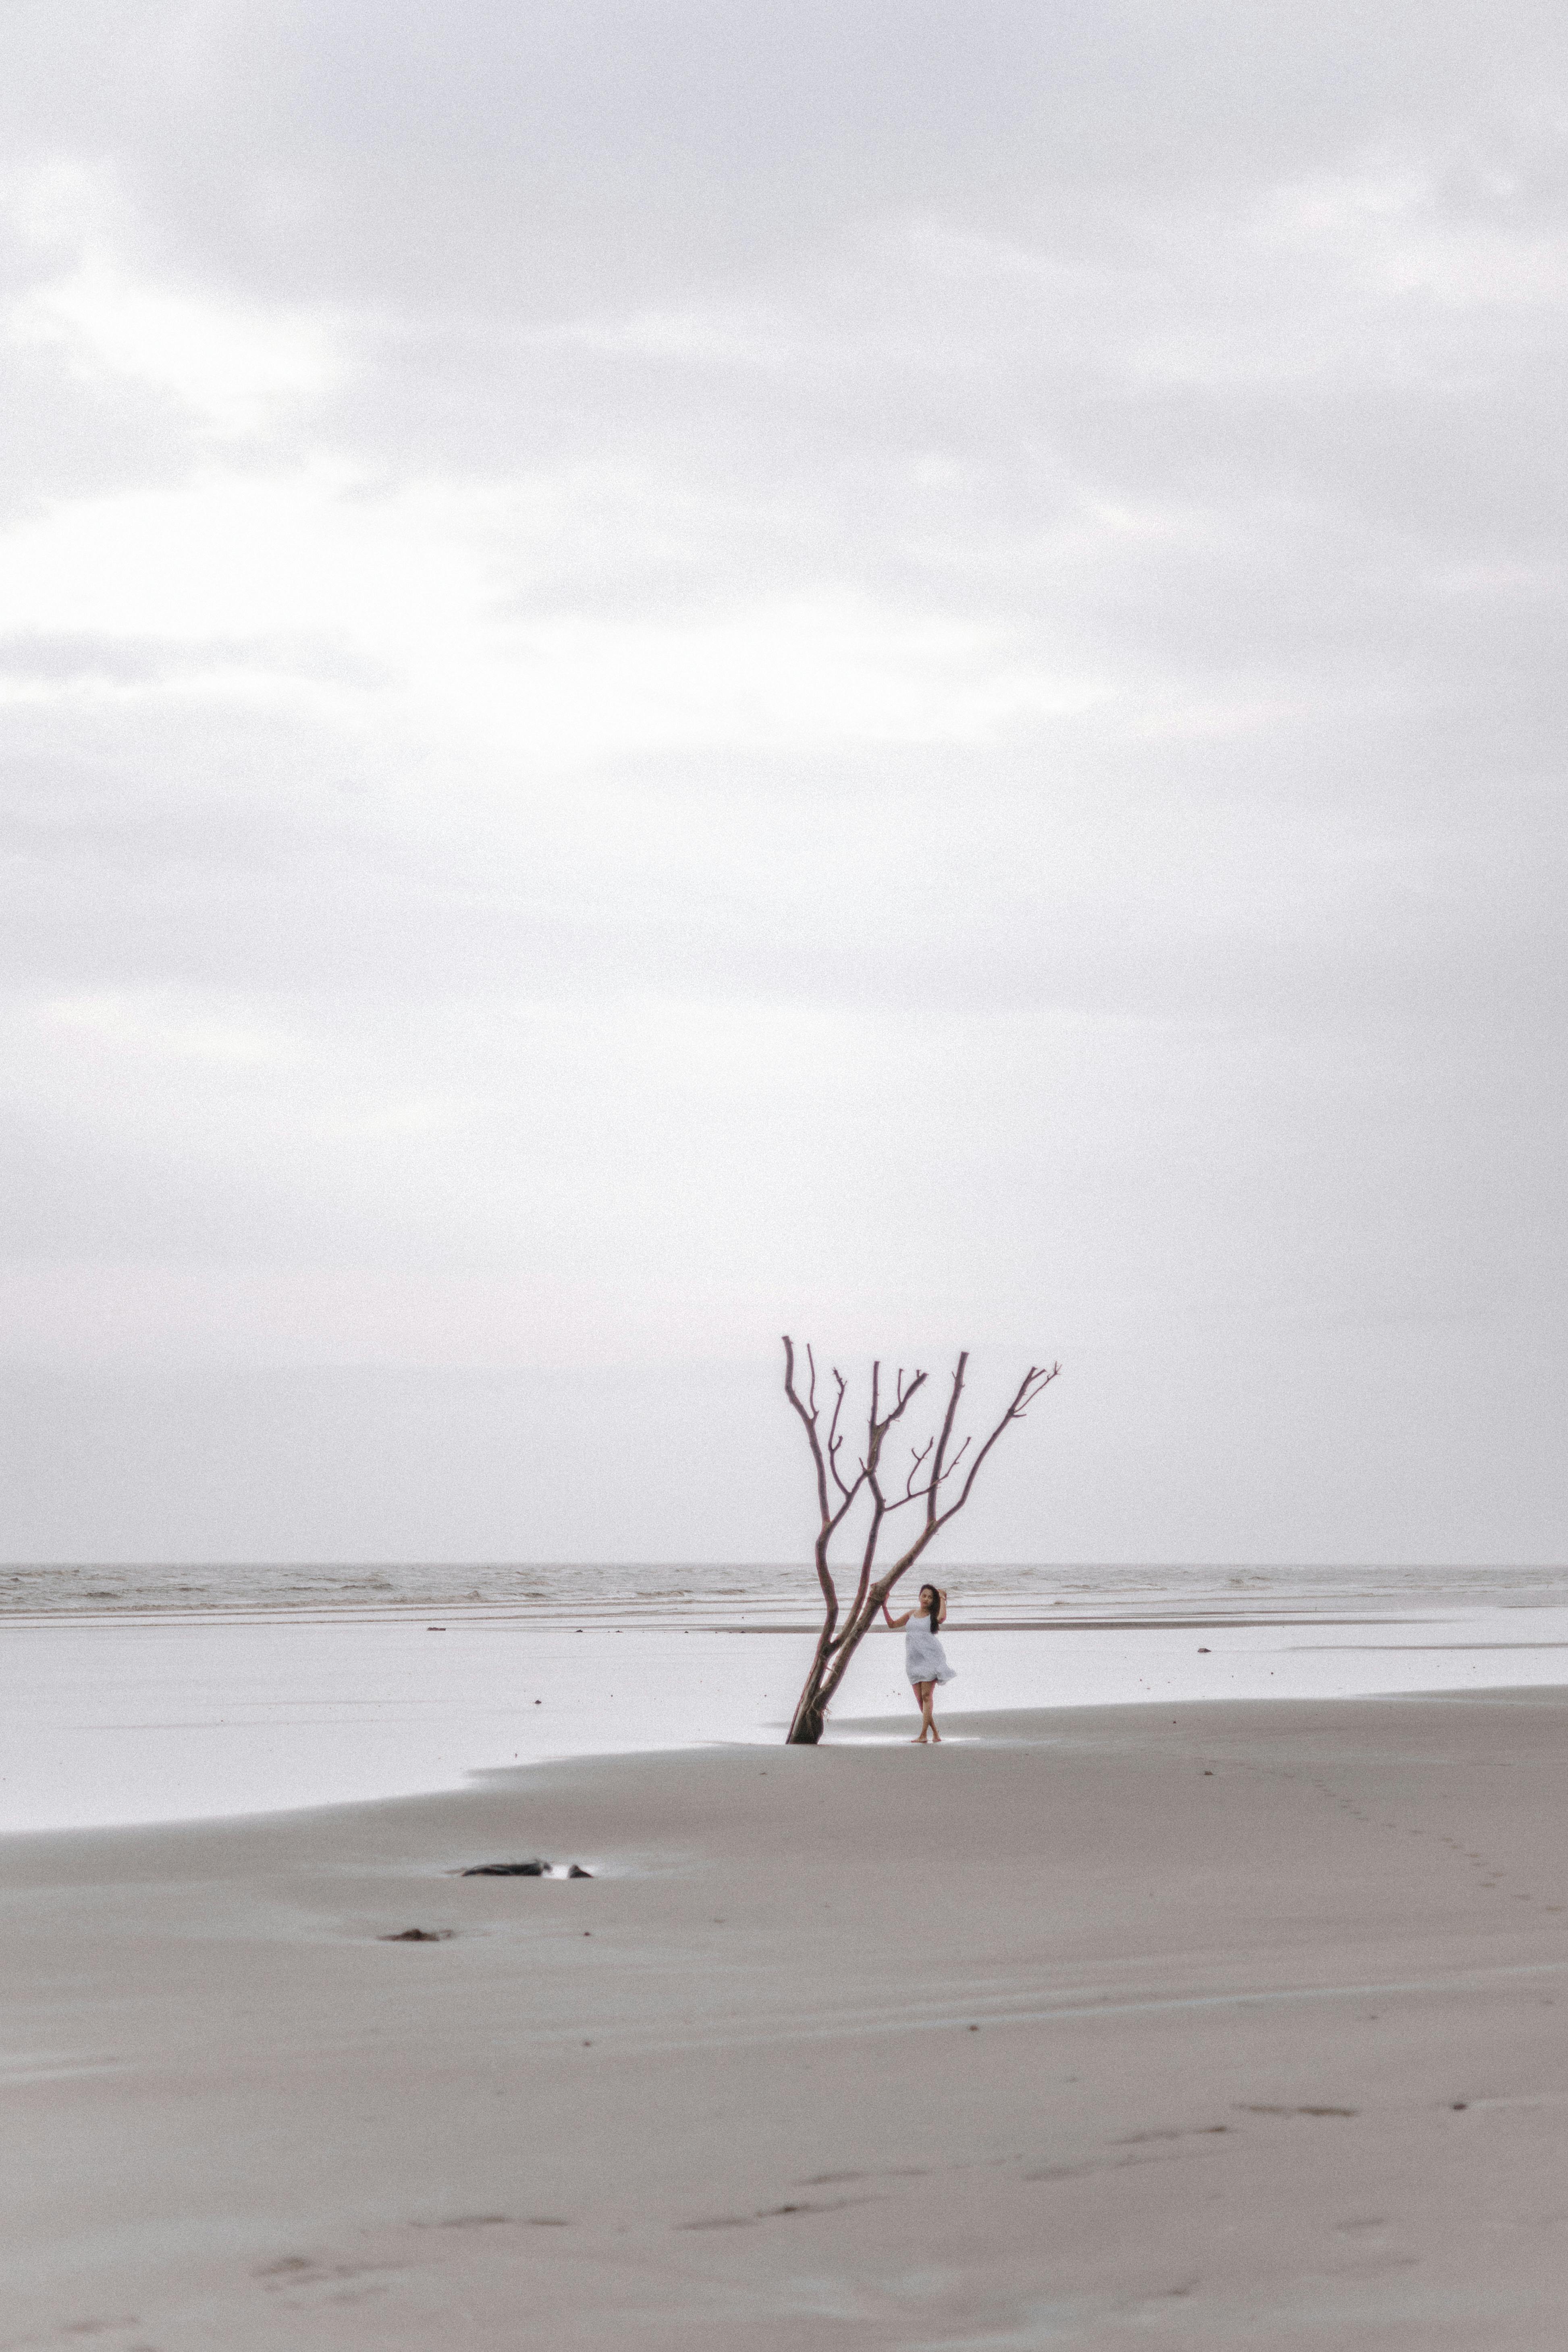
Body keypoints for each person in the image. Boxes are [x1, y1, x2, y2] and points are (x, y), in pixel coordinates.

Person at [883, 1582, 954, 1743]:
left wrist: (942, 1598)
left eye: (930, 1597)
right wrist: (884, 1606)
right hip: (913, 1661)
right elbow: (892, 1625)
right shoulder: (911, 1615)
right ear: (919, 1597)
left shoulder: (933, 1616)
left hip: (930, 1659)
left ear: (933, 1600)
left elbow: (942, 1618)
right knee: (921, 1701)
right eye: (924, 1596)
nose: (926, 1599)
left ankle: (923, 1735)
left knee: (927, 1696)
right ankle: (935, 1733)